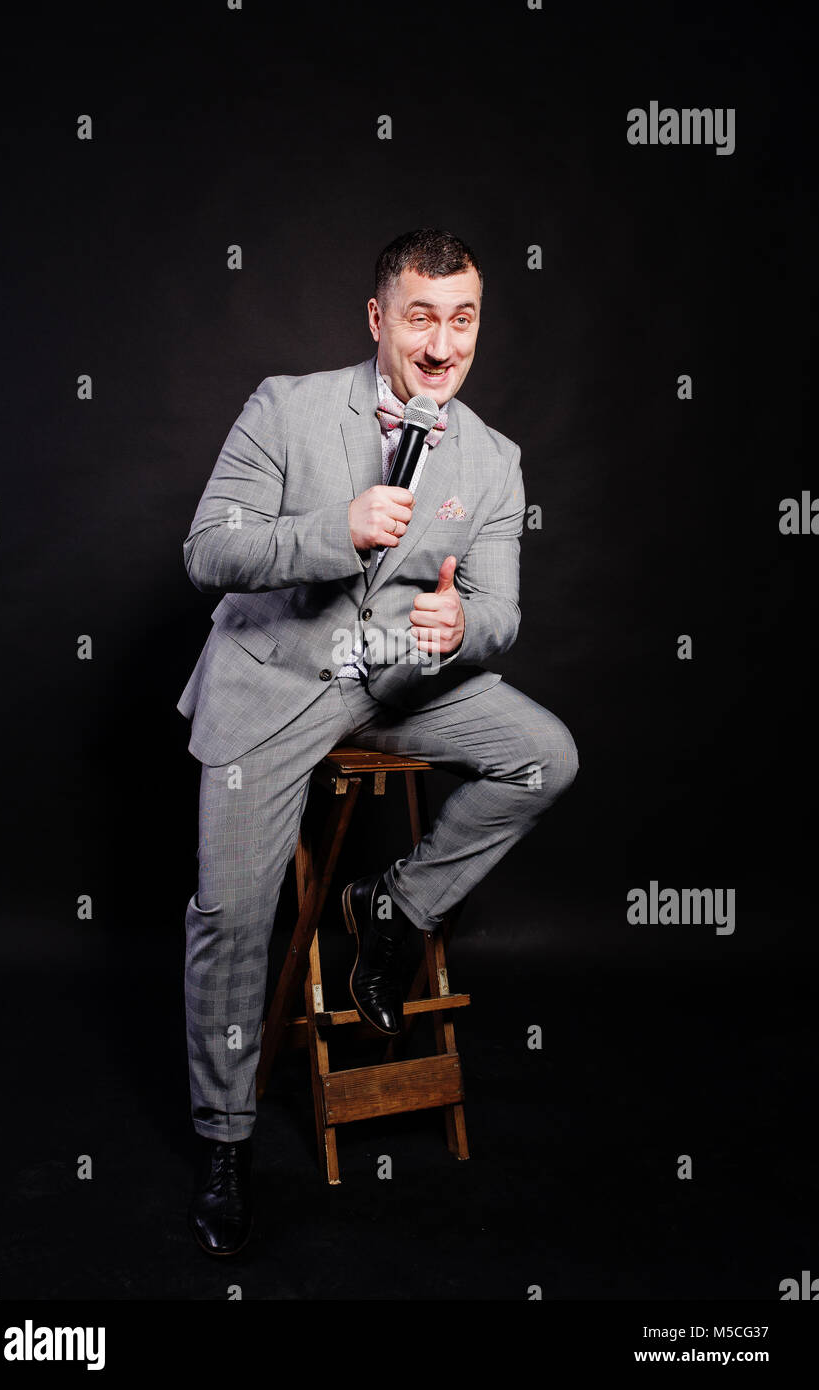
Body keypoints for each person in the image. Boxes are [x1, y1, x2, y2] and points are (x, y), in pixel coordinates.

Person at [177, 228, 579, 1256]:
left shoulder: (493, 460)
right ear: (378, 320)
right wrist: (331, 528)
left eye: (462, 318)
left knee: (544, 753)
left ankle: (391, 905)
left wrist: (460, 628)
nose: (442, 343)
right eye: (420, 316)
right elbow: (206, 549)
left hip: (393, 679)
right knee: (232, 912)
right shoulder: (287, 405)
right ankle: (223, 1143)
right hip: (270, 684)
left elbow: (501, 613)